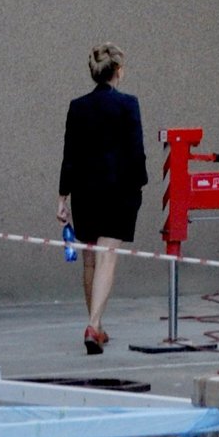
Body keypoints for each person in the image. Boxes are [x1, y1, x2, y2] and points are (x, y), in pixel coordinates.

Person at [58, 43, 148, 354]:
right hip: (119, 189)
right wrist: (140, 184)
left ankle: (96, 325)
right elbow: (136, 151)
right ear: (118, 71)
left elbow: (70, 154)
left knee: (90, 258)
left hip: (85, 190)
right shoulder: (128, 104)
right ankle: (94, 325)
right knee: (108, 256)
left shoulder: (78, 106)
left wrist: (62, 196)